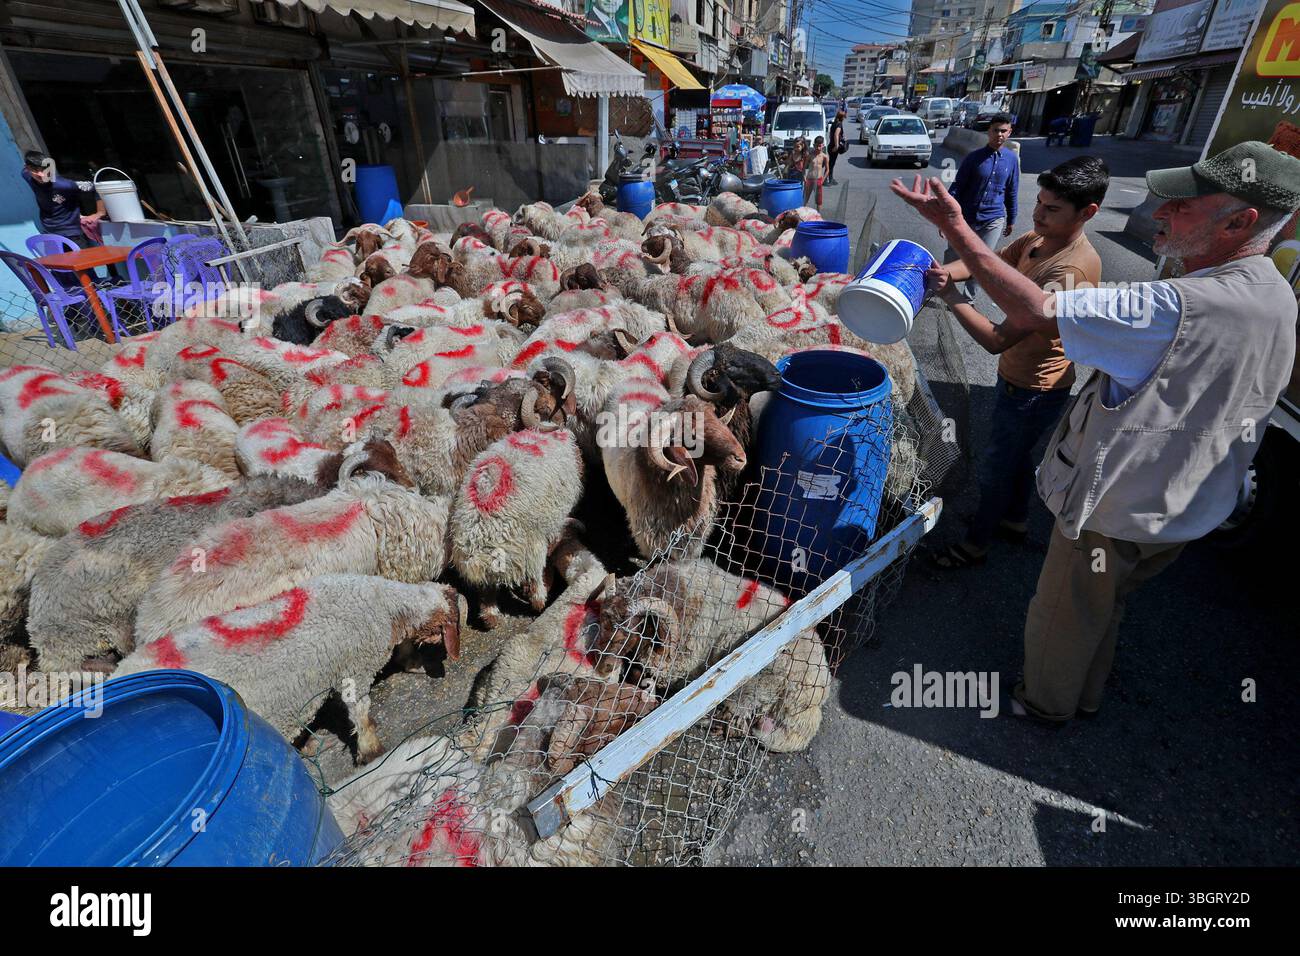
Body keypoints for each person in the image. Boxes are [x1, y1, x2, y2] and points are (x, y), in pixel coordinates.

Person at [891, 140, 1299, 724]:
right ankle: (1084, 692)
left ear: (1240, 221)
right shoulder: (1273, 292)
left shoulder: (1177, 304)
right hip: (1187, 505)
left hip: (1119, 507)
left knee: (1063, 611)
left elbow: (1031, 312)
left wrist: (955, 225)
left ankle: (1044, 703)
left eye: (1184, 205)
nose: (1161, 213)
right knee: (1103, 604)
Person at [931, 156, 1108, 570]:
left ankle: (975, 545)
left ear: (1088, 213)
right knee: (1018, 456)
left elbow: (996, 339)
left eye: (1051, 209)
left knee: (996, 467)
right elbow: (984, 263)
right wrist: (943, 272)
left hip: (1033, 389)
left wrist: (952, 297)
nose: (1038, 213)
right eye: (1038, 202)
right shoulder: (1036, 239)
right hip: (1018, 379)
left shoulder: (1069, 270)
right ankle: (1013, 520)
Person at [945, 114, 1018, 299]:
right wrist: (947, 217)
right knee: (954, 254)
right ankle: (947, 290)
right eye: (996, 130)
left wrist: (1012, 219)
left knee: (983, 261)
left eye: (1003, 131)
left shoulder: (1011, 160)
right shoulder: (973, 158)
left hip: (993, 219)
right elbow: (957, 188)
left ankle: (969, 299)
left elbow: (1011, 191)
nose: (999, 135)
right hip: (966, 217)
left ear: (1009, 132)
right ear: (989, 131)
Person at [21, 150, 105, 249]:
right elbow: (24, 171)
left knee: (83, 264)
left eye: (43, 169)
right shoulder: (27, 176)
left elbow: (98, 188)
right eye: (35, 170)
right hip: (50, 234)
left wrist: (100, 213)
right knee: (58, 264)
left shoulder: (65, 185)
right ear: (27, 168)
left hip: (72, 234)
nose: (41, 174)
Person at [803, 136, 829, 210]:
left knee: (818, 201)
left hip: (818, 180)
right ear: (814, 145)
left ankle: (818, 216)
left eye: (820, 146)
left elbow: (827, 170)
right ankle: (804, 215)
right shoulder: (810, 155)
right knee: (805, 198)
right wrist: (804, 178)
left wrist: (823, 180)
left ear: (823, 146)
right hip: (809, 179)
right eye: (816, 146)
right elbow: (804, 168)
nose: (818, 148)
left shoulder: (825, 156)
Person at [827, 109, 847, 186]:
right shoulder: (839, 124)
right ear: (842, 117)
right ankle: (829, 179)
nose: (844, 118)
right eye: (844, 117)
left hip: (830, 145)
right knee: (831, 164)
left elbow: (830, 135)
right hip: (833, 147)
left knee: (830, 163)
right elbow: (836, 135)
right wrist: (836, 146)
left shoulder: (834, 123)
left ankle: (830, 178)